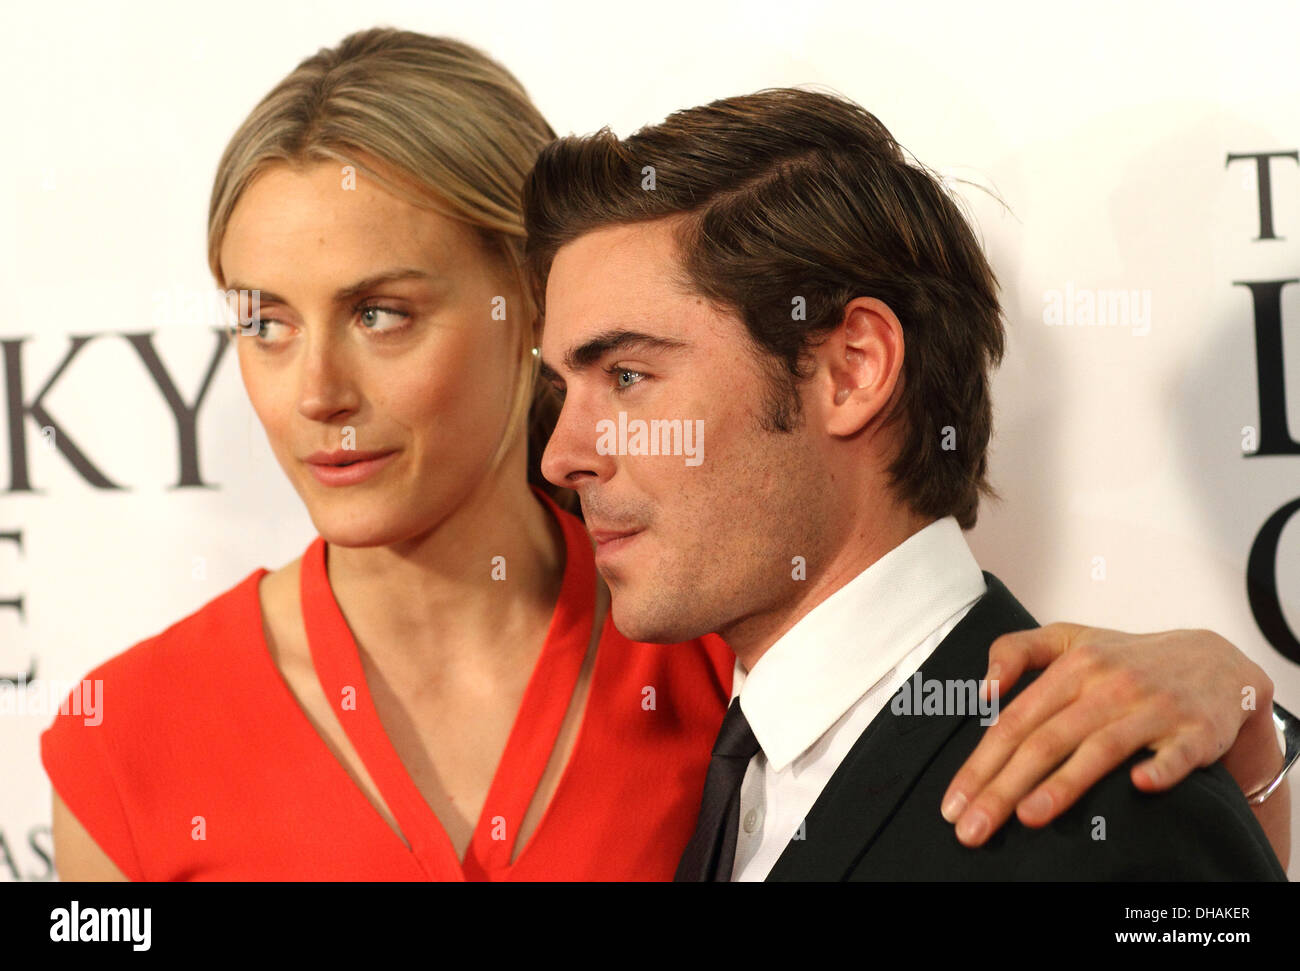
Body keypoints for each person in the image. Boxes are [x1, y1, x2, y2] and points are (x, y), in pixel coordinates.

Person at [41, 28, 1288, 881]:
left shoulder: (728, 639)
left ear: (520, 312)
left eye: (383, 311)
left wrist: (1238, 724)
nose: (314, 390)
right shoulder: (126, 733)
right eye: (262, 321)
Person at [523, 86, 1289, 880]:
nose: (560, 457)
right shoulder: (744, 779)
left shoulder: (1099, 814)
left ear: (853, 370)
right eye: (561, 392)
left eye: (627, 375)